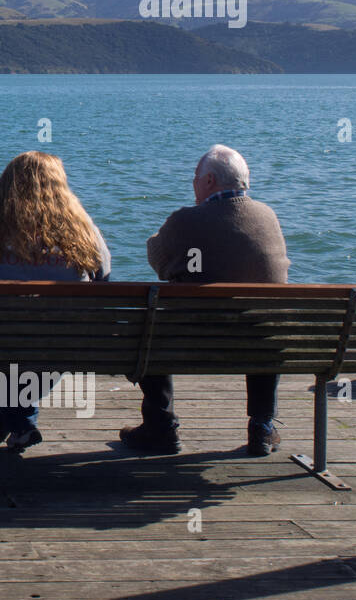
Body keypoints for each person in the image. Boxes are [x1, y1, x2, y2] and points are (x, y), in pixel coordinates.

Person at [0, 151, 111, 453]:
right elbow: (104, 277)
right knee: (51, 349)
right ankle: (19, 419)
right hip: (60, 344)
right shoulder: (83, 229)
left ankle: (16, 420)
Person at [121, 144, 290, 456]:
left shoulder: (186, 221)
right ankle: (262, 425)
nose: (193, 183)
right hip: (259, 343)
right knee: (265, 316)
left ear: (210, 181)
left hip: (192, 341)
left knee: (147, 322)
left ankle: (161, 424)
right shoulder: (268, 217)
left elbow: (157, 260)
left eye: (195, 177)